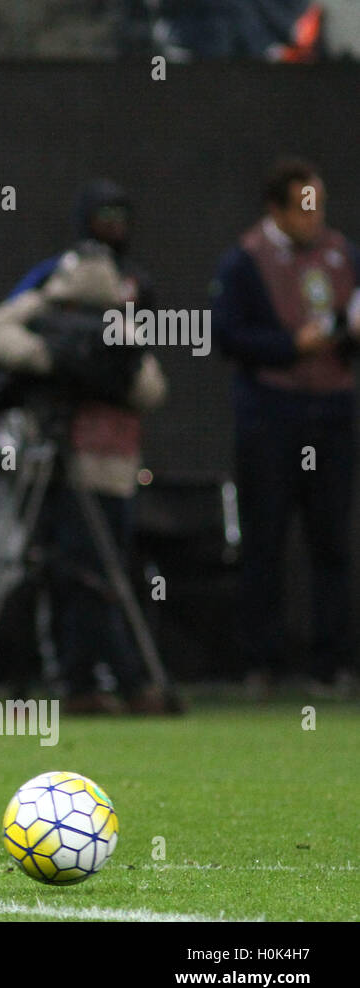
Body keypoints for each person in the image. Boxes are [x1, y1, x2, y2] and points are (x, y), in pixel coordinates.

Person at [0, 236, 167, 715]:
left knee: (95, 578)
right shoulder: (74, 331)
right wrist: (51, 354)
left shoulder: (119, 333)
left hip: (103, 471)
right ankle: (88, 681)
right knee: (70, 576)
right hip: (59, 467)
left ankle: (116, 680)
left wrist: (55, 350)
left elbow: (147, 388)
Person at [212, 157, 360, 699]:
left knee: (331, 543)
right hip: (270, 418)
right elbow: (228, 338)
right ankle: (261, 664)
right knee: (265, 541)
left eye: (319, 205)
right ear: (276, 209)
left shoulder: (343, 255)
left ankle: (331, 665)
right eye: (304, 206)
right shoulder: (243, 261)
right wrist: (291, 346)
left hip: (333, 416)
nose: (314, 217)